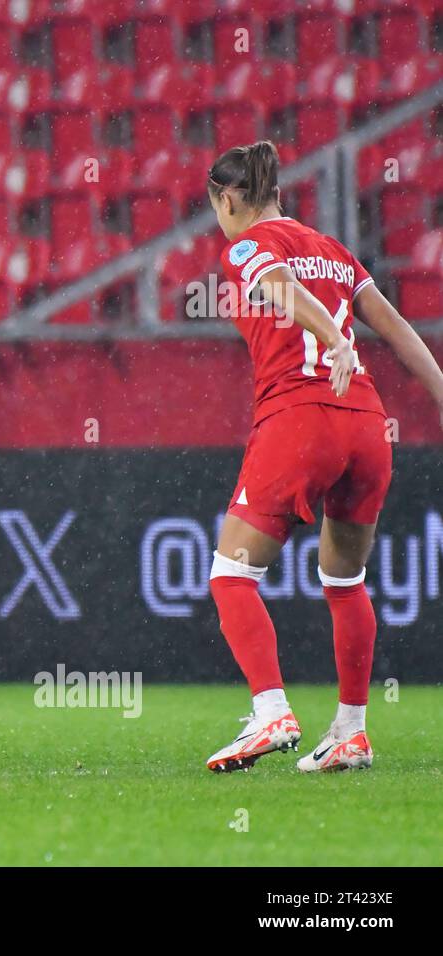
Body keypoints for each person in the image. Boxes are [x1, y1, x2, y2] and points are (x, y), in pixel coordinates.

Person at [203, 141, 443, 773]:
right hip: (367, 425)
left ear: (228, 200)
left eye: (217, 208)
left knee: (231, 576)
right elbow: (393, 326)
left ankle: (271, 711)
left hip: (300, 420)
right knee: (345, 582)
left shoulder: (247, 247)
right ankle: (351, 731)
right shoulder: (334, 251)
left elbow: (279, 290)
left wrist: (333, 337)